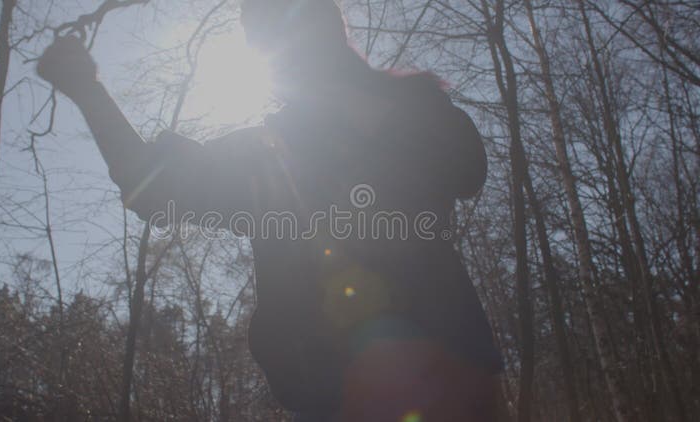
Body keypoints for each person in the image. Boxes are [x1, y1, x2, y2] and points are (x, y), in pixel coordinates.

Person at [37, 1, 503, 420]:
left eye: (276, 20)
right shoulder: (262, 156)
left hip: (452, 383)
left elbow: (466, 166)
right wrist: (88, 91)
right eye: (250, 24)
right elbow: (153, 188)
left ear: (326, 27)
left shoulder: (406, 104)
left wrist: (333, 93)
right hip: (328, 397)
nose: (256, 34)